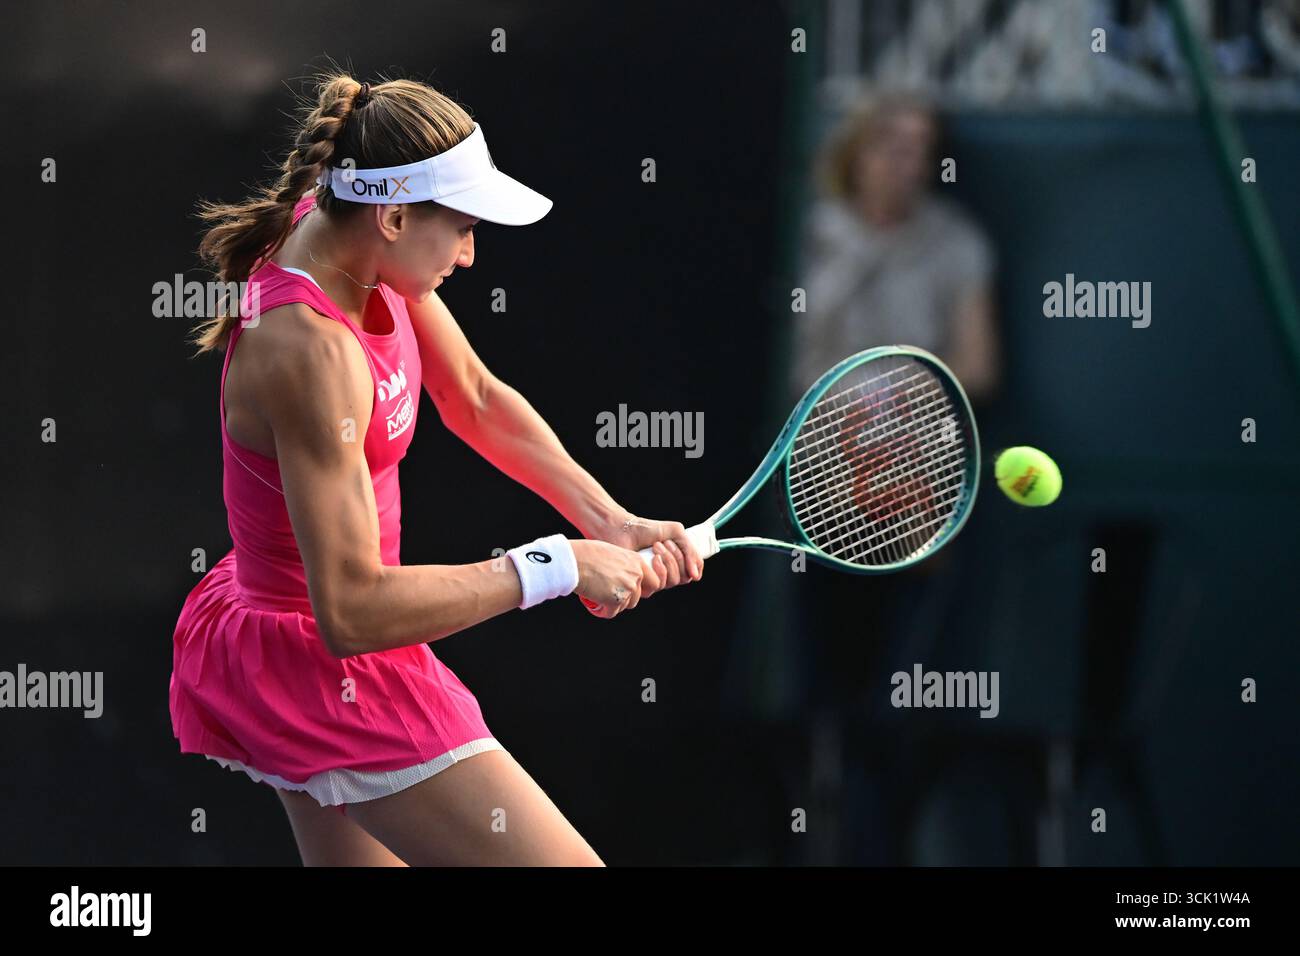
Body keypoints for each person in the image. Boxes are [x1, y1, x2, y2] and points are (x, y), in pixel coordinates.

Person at [170, 72, 704, 867]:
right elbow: (350, 609)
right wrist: (557, 566)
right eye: (460, 228)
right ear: (392, 215)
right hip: (328, 655)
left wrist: (608, 520)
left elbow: (479, 399)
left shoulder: (352, 242)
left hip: (309, 641)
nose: (470, 252)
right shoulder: (307, 350)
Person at [784, 91, 1000, 863]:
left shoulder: (954, 243)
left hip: (916, 495)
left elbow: (977, 366)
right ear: (856, 151)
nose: (905, 164)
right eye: (890, 145)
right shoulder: (805, 233)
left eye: (920, 147)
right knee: (821, 700)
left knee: (898, 704)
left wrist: (904, 399)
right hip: (818, 492)